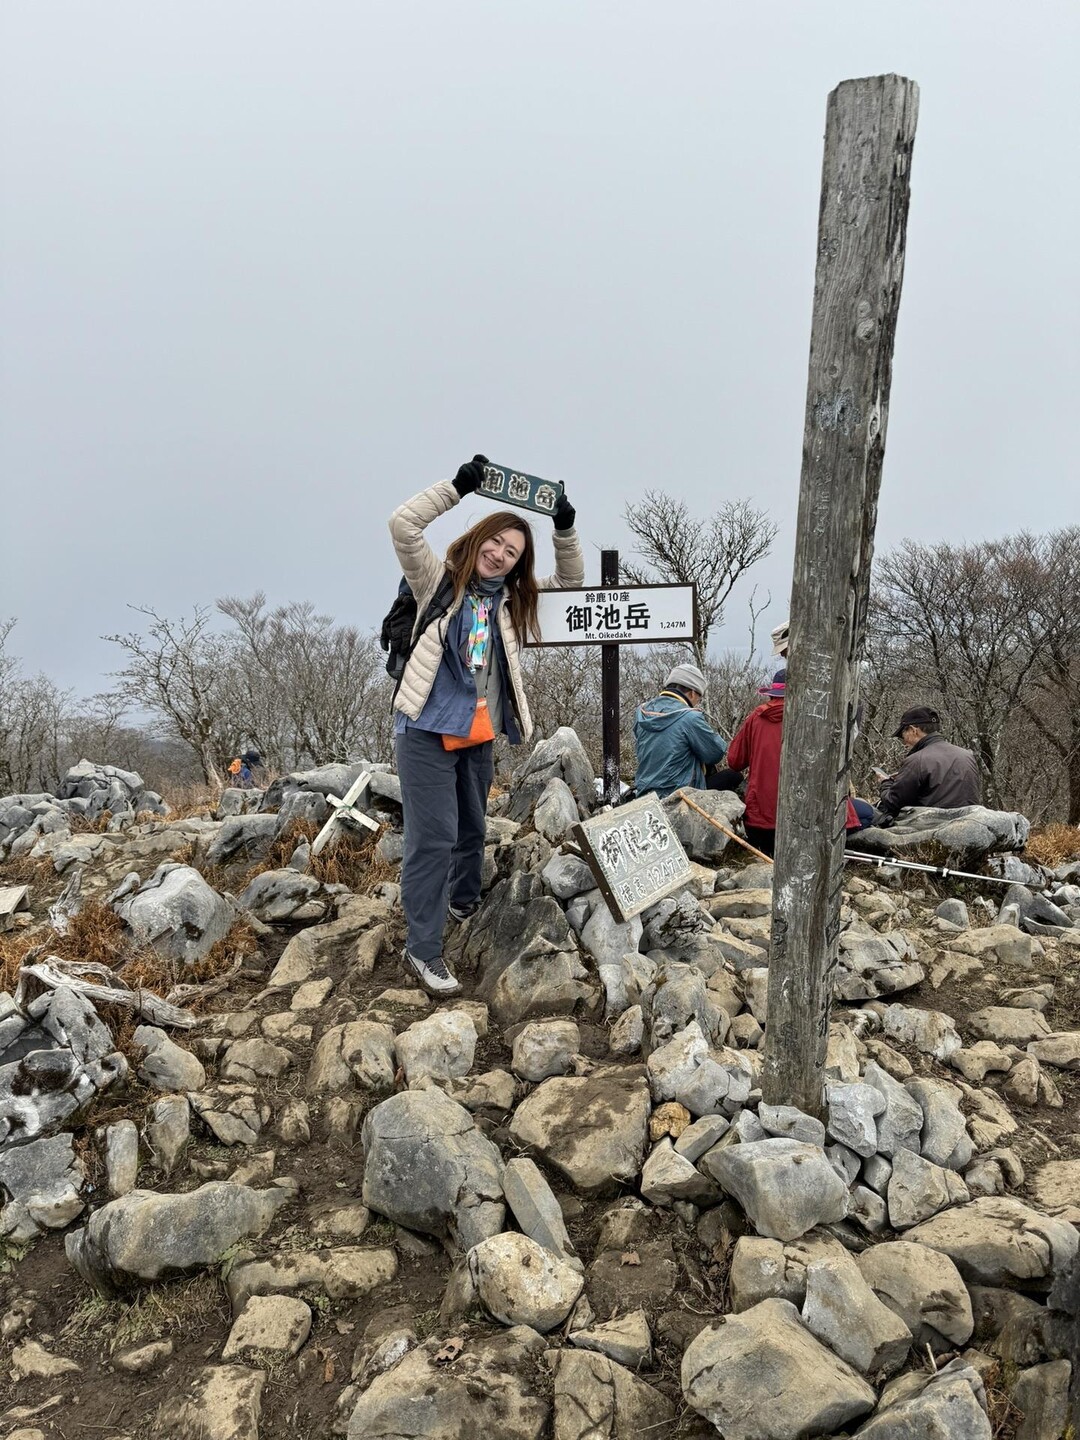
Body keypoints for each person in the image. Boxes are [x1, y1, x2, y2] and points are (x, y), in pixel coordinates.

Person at [390, 455, 584, 997]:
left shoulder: (511, 601)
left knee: (473, 827)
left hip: (476, 730)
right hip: (426, 730)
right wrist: (456, 489)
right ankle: (423, 949)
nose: (500, 555)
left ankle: (463, 902)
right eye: (495, 543)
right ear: (477, 540)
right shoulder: (436, 582)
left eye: (513, 553)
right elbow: (403, 525)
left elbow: (572, 581)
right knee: (435, 839)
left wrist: (563, 526)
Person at [725, 668, 870, 857]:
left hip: (761, 826)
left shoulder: (756, 718)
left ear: (772, 694)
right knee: (866, 814)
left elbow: (734, 762)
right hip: (810, 824)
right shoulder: (817, 718)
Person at [633, 663, 731, 799]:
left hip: (645, 791)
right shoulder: (689, 717)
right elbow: (715, 753)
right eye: (699, 697)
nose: (697, 702)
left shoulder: (642, 712)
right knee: (733, 776)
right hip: (680, 794)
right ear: (692, 693)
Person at [876, 707, 981, 823]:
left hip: (932, 828)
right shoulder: (966, 755)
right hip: (969, 823)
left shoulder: (916, 760)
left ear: (913, 730)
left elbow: (893, 803)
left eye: (902, 735)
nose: (903, 741)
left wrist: (885, 783)